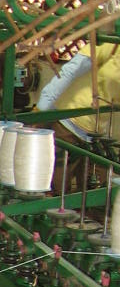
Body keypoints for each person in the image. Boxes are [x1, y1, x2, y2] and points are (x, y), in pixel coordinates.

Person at [37, 41, 120, 191]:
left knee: (94, 194)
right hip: (67, 124)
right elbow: (70, 71)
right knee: (57, 190)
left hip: (95, 135)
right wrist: (42, 109)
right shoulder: (111, 42)